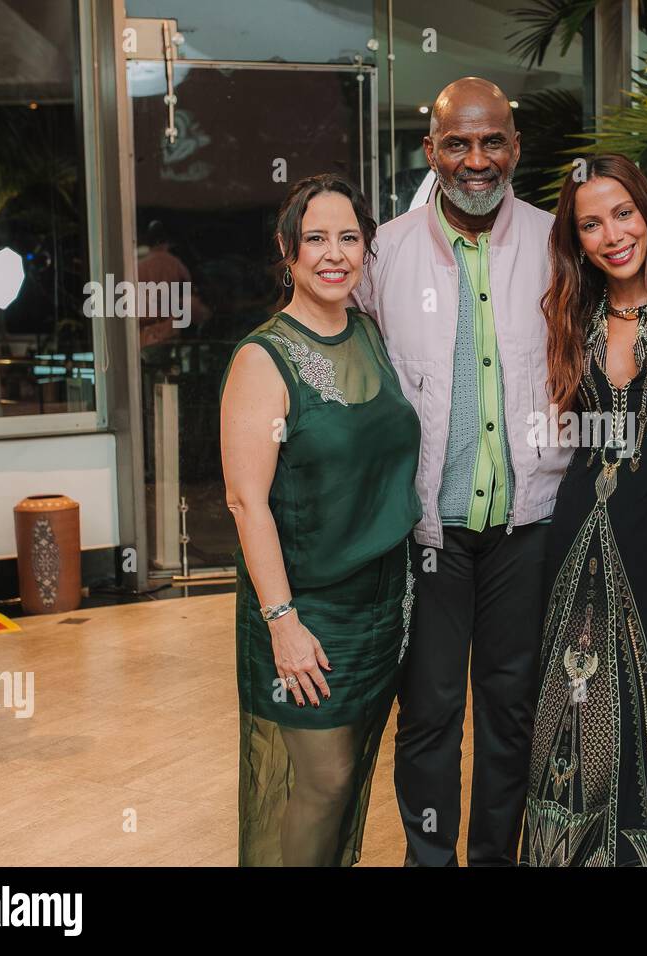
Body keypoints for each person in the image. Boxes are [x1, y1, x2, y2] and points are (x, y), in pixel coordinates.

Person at [353, 78, 647, 866]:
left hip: (534, 527)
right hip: (430, 531)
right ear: (432, 152)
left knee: (515, 711)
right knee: (427, 712)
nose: (475, 160)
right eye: (457, 143)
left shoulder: (564, 247)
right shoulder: (382, 253)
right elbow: (338, 350)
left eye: (493, 143)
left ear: (515, 149)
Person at [521, 154, 647, 867]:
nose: (611, 234)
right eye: (590, 224)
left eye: (622, 214)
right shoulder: (567, 313)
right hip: (580, 539)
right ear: (575, 240)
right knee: (570, 726)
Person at [220, 173, 421, 866]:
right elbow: (247, 502)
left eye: (349, 238)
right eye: (315, 239)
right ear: (288, 250)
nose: (333, 254)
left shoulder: (368, 332)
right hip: (305, 611)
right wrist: (283, 624)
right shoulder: (262, 358)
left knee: (349, 776)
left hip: (382, 605)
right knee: (324, 779)